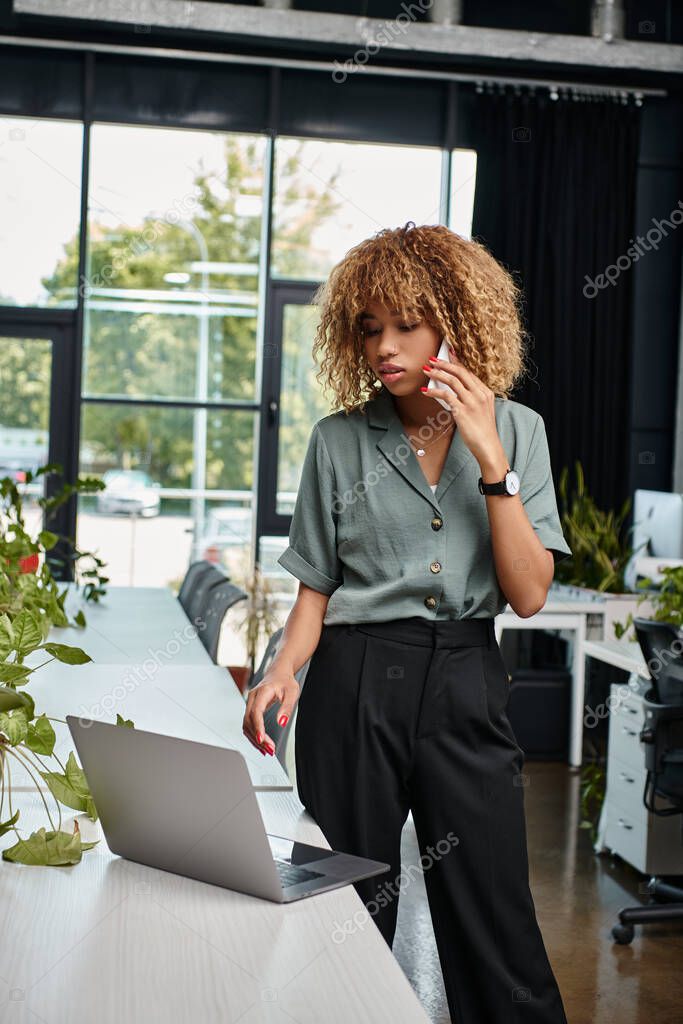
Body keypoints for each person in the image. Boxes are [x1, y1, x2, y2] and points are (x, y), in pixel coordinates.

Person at [242, 221, 571, 1024]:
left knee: (491, 905)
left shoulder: (518, 432)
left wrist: (490, 460)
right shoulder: (338, 442)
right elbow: (316, 587)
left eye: (405, 326)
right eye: (368, 329)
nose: (383, 347)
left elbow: (528, 595)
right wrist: (281, 671)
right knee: (343, 907)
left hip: (464, 678)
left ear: (454, 324)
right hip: (354, 683)